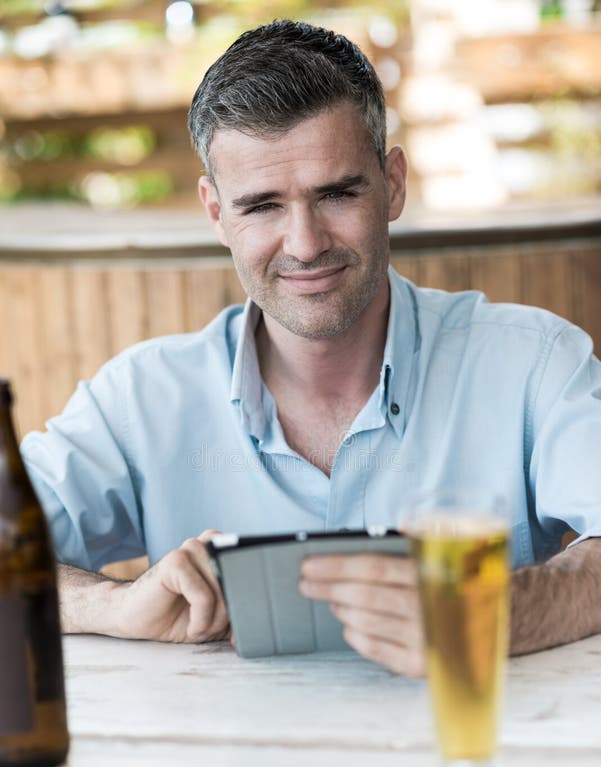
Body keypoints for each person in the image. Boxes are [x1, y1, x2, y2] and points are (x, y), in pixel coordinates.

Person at [21, 20, 601, 676]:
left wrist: (498, 612)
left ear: (393, 184)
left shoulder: (532, 362)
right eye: (262, 206)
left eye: (336, 193)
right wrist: (111, 605)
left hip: (476, 764)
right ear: (216, 214)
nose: (303, 243)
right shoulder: (141, 398)